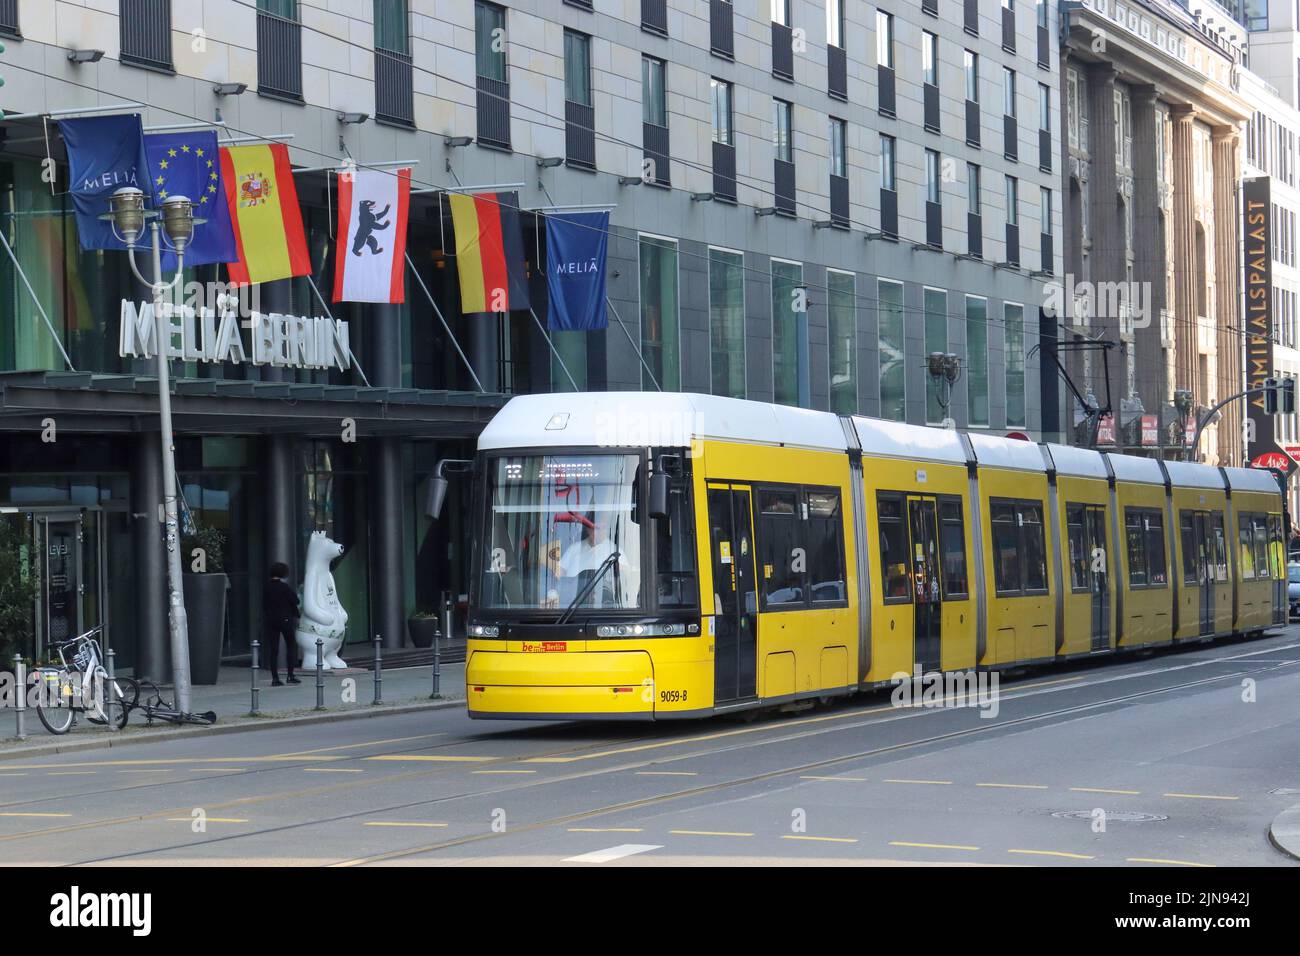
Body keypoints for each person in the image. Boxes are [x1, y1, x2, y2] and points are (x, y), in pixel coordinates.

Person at [263, 561, 300, 686]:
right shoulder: (284, 587)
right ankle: (290, 675)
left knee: (274, 649)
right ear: (283, 573)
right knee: (291, 646)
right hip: (285, 619)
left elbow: (264, 604)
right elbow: (296, 600)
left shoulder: (267, 587)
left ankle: (275, 678)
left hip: (271, 620)